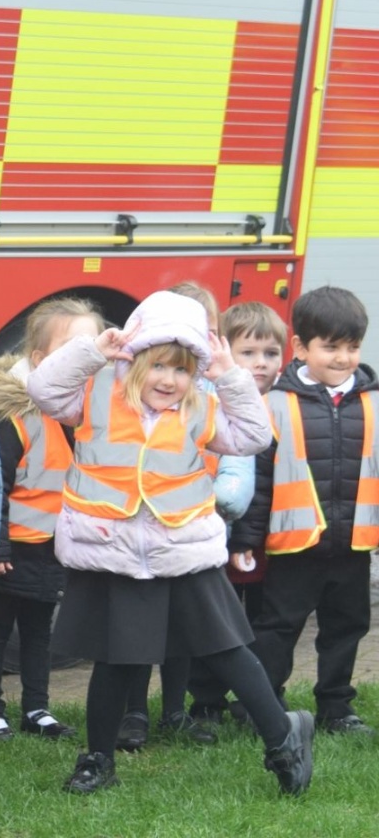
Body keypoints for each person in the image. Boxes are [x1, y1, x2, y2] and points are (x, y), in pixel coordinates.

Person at [28, 290, 314, 796]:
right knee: (116, 657)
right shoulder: (94, 393)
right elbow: (43, 388)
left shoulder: (201, 407)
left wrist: (228, 375)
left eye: (183, 370)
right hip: (111, 548)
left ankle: (284, 737)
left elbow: (253, 436)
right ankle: (98, 758)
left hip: (182, 550)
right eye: (158, 364)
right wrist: (94, 350)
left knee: (226, 648)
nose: (169, 380)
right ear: (132, 358)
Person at [230, 285, 378, 736]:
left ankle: (338, 707)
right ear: (300, 347)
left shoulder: (373, 402)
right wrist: (245, 540)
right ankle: (264, 705)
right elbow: (260, 482)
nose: (343, 358)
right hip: (295, 546)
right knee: (278, 628)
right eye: (330, 347)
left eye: (352, 347)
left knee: (347, 628)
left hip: (353, 546)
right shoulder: (274, 403)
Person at [116, 281, 254, 750]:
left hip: (197, 527)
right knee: (139, 633)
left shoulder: (215, 391)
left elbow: (245, 448)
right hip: (148, 532)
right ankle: (134, 711)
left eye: (210, 332)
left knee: (181, 634)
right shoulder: (149, 392)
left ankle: (174, 709)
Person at [0, 297, 101, 742]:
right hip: (14, 551)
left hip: (53, 548)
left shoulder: (85, 412)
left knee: (39, 633)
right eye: (73, 346)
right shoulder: (13, 416)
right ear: (41, 360)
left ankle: (37, 708)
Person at [187, 300, 287, 726]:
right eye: (248, 353)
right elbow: (241, 483)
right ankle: (206, 703)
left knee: (264, 626)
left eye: (270, 353)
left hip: (272, 545)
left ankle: (260, 700)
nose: (260, 364)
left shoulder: (286, 404)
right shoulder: (220, 405)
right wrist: (240, 538)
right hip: (227, 540)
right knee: (217, 628)